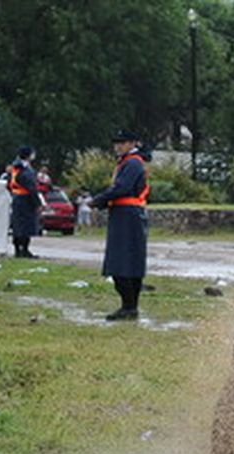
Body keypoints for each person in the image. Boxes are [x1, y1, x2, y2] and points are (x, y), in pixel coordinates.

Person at [91, 130, 149, 321]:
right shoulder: (129, 162)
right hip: (124, 214)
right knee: (128, 260)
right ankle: (129, 306)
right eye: (116, 143)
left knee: (123, 261)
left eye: (122, 143)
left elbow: (121, 188)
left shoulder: (132, 163)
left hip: (128, 215)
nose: (117, 146)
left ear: (132, 143)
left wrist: (98, 200)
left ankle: (129, 306)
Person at [6, 146, 42, 258]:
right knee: (26, 226)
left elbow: (9, 183)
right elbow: (32, 187)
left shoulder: (14, 168)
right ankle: (24, 249)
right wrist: (38, 203)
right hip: (26, 199)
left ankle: (18, 249)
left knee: (17, 225)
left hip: (16, 198)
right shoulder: (25, 170)